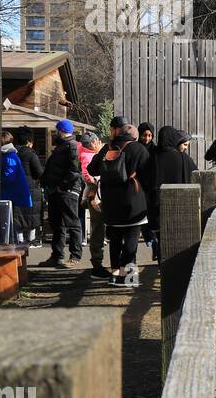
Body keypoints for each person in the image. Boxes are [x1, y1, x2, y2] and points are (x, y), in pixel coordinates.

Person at [89, 128, 151, 287]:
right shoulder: (138, 149)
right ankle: (129, 277)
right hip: (132, 200)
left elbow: (92, 169)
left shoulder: (107, 147)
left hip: (110, 201)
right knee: (131, 237)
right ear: (133, 136)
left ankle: (115, 274)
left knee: (115, 239)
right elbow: (149, 174)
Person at [40, 119, 84, 267]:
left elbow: (74, 171)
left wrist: (62, 186)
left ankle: (75, 256)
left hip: (67, 191)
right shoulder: (63, 146)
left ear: (61, 131)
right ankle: (57, 256)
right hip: (57, 191)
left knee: (72, 223)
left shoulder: (70, 147)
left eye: (57, 131)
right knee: (57, 224)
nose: (55, 133)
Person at [78, 131, 109, 278]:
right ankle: (97, 264)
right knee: (97, 229)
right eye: (97, 142)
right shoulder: (87, 156)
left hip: (95, 194)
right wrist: (97, 180)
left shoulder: (89, 154)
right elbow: (87, 176)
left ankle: (99, 264)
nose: (99, 144)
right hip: (95, 195)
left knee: (99, 229)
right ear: (93, 143)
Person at [13, 125, 45, 246]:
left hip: (17, 187)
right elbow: (39, 173)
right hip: (31, 188)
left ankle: (20, 239)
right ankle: (32, 240)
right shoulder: (32, 155)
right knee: (32, 214)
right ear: (28, 141)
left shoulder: (13, 153)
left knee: (19, 214)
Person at [0, 129, 32, 244]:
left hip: (12, 194)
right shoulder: (11, 154)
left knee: (11, 222)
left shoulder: (9, 156)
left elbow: (9, 177)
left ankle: (13, 243)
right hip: (13, 194)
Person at [138, 121, 161, 260]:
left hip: (151, 188)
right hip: (139, 187)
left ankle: (155, 247)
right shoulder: (136, 148)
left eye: (149, 135)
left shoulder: (155, 150)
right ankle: (151, 242)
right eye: (144, 135)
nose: (147, 138)